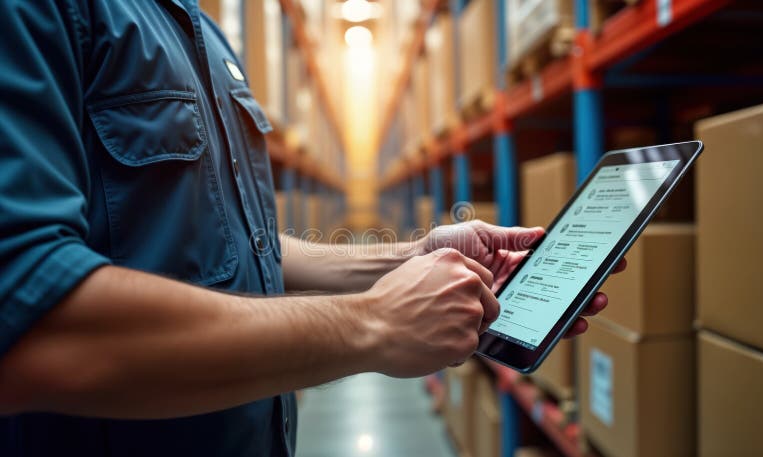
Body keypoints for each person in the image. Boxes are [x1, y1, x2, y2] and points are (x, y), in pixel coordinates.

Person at [0, 1, 622, 456]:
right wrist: (373, 323)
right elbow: (27, 320)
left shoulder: (204, 34)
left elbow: (246, 245)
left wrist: (407, 257)